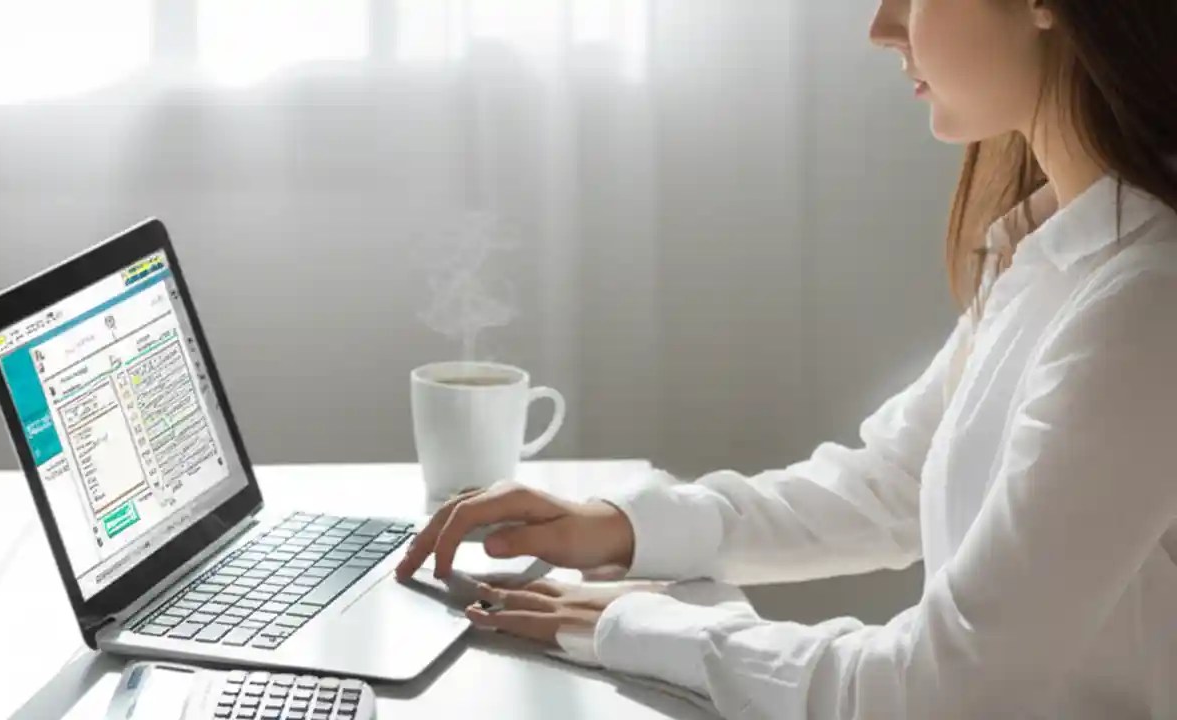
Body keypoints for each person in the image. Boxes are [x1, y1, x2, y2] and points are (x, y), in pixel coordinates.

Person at [396, 0, 1177, 716]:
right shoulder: (1058, 255)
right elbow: (895, 481)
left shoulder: (1143, 305)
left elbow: (939, 687)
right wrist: (616, 528)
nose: (882, 26)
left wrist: (647, 628)